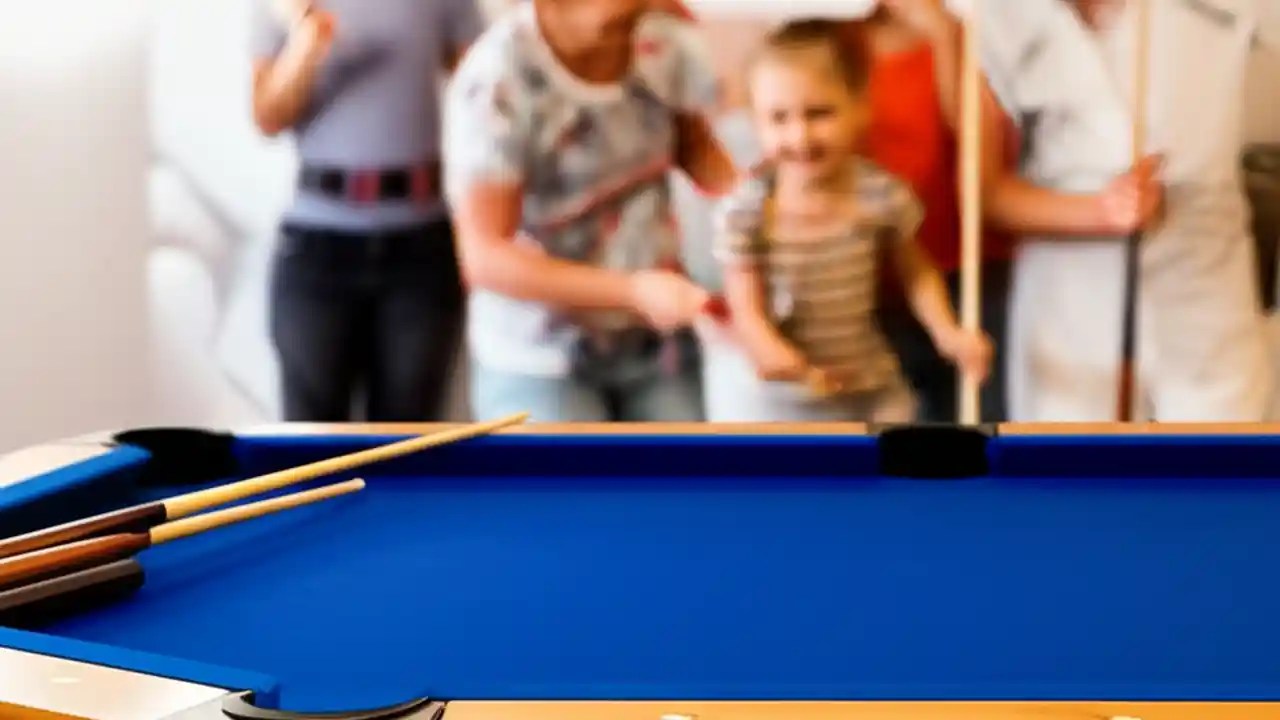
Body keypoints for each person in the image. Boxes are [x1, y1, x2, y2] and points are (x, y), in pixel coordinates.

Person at [981, 0, 1278, 421]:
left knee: (1220, 475)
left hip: (1206, 288)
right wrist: (1100, 213)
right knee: (1073, 479)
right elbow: (986, 194)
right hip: (1067, 302)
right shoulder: (995, 14)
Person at [442, 0, 736, 423]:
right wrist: (633, 291)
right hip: (539, 356)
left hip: (659, 343)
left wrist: (757, 203)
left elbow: (695, 146)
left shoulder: (664, 37)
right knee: (565, 488)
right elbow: (485, 257)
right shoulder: (495, 80)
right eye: (621, 23)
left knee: (684, 485)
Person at [705, 19, 990, 423]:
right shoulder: (746, 210)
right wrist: (767, 347)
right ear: (756, 123)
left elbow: (917, 273)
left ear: (860, 106)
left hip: (867, 389)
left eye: (819, 113)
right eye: (779, 119)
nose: (800, 136)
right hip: (778, 399)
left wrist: (947, 330)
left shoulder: (881, 194)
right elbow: (745, 307)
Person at [249, 0, 484, 421]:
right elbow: (268, 115)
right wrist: (307, 38)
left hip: (421, 245)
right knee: (311, 443)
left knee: (411, 441)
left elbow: (485, 87)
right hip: (317, 249)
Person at [849, 0, 1019, 424]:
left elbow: (975, 140)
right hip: (872, 279)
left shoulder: (978, 36)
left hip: (970, 272)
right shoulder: (838, 40)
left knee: (977, 420)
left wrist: (944, 35)